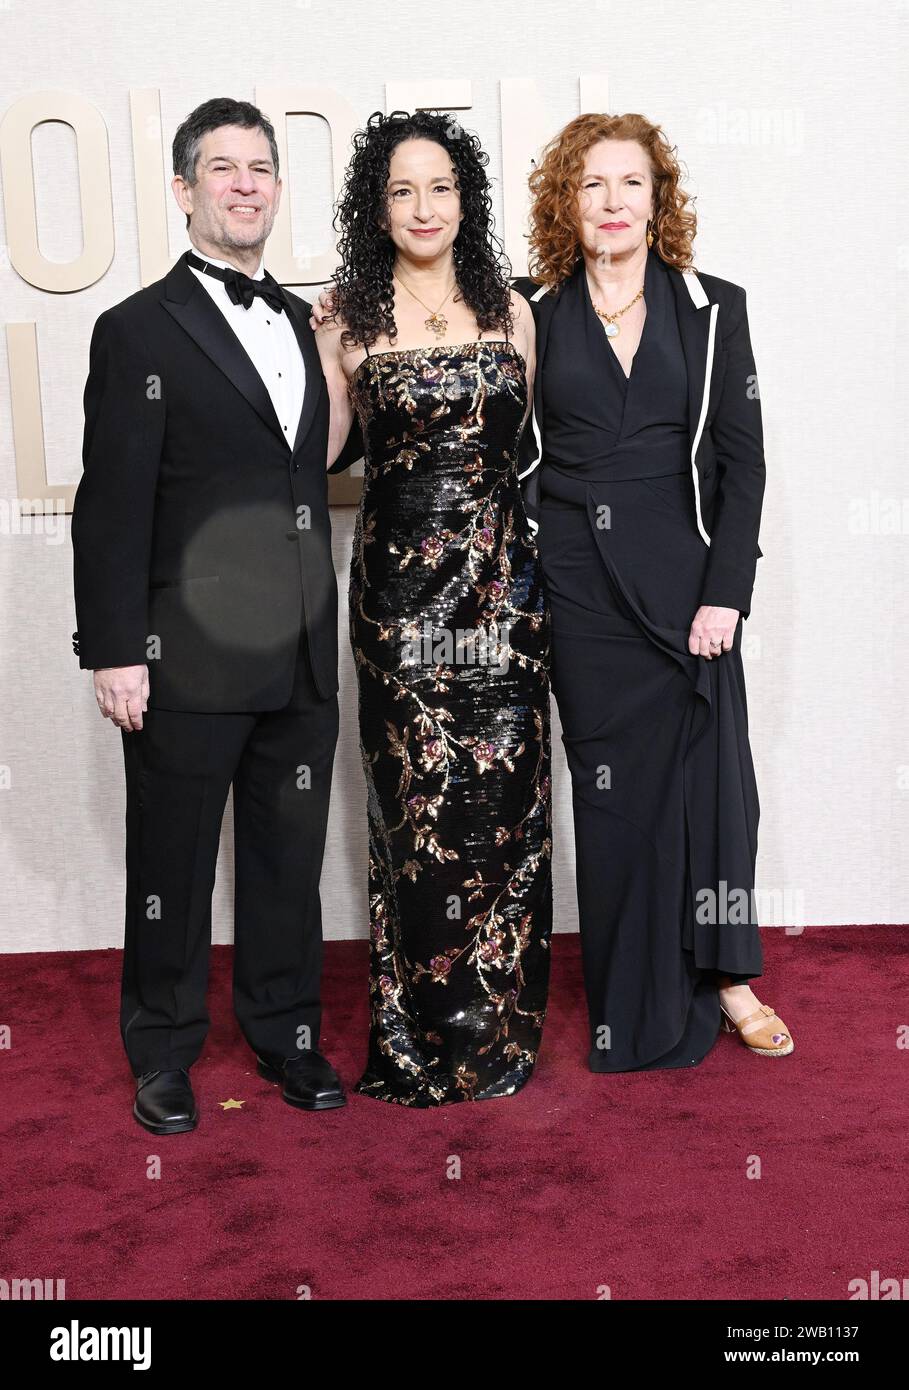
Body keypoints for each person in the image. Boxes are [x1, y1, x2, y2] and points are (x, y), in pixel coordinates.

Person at [71, 97, 351, 1134]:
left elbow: (310, 470)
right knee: (173, 866)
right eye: (223, 168)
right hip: (181, 654)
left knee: (288, 860)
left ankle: (285, 1033)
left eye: (261, 168)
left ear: (278, 189)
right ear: (185, 191)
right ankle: (163, 1051)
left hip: (300, 652)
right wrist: (113, 649)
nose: (245, 184)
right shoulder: (136, 328)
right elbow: (113, 505)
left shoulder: (295, 320)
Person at [512, 112, 793, 1070]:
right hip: (582, 591)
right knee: (615, 797)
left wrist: (726, 594)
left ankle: (727, 974)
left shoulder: (714, 307)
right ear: (567, 202)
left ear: (657, 199)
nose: (612, 201)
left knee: (712, 787)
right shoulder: (531, 311)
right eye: (591, 184)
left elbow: (741, 465)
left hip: (690, 590)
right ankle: (632, 996)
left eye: (630, 183)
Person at [313, 110, 552, 1105]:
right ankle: (420, 1041)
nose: (423, 207)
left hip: (504, 604)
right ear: (379, 206)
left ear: (468, 201)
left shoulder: (514, 308)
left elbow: (517, 456)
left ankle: (498, 1043)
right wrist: (324, 350)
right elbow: (322, 455)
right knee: (420, 826)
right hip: (402, 614)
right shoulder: (351, 318)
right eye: (403, 190)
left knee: (502, 819)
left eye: (441, 187)